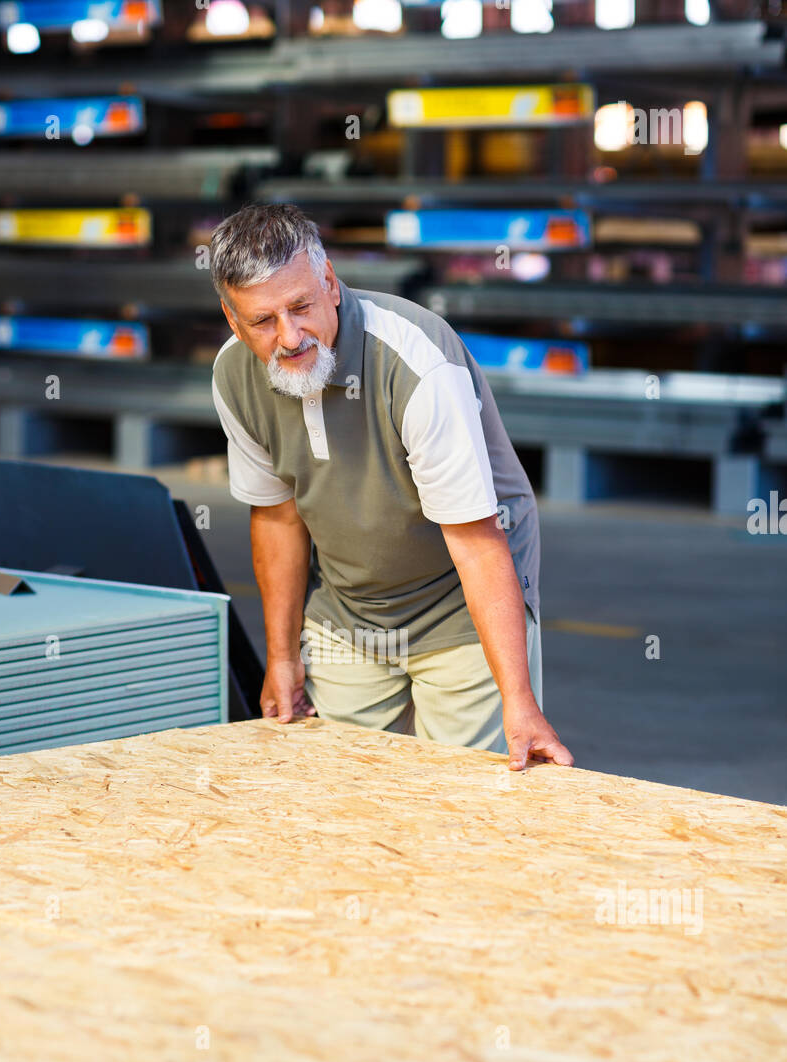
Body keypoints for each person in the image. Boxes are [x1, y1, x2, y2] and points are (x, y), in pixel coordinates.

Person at [209, 203, 572, 772]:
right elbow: (278, 517)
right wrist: (281, 658)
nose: (289, 336)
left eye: (301, 306)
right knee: (345, 797)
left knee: (468, 804)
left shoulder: (416, 361)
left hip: (457, 607)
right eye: (262, 321)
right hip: (348, 614)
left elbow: (474, 538)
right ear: (232, 319)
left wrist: (519, 702)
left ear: (330, 283)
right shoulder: (233, 376)